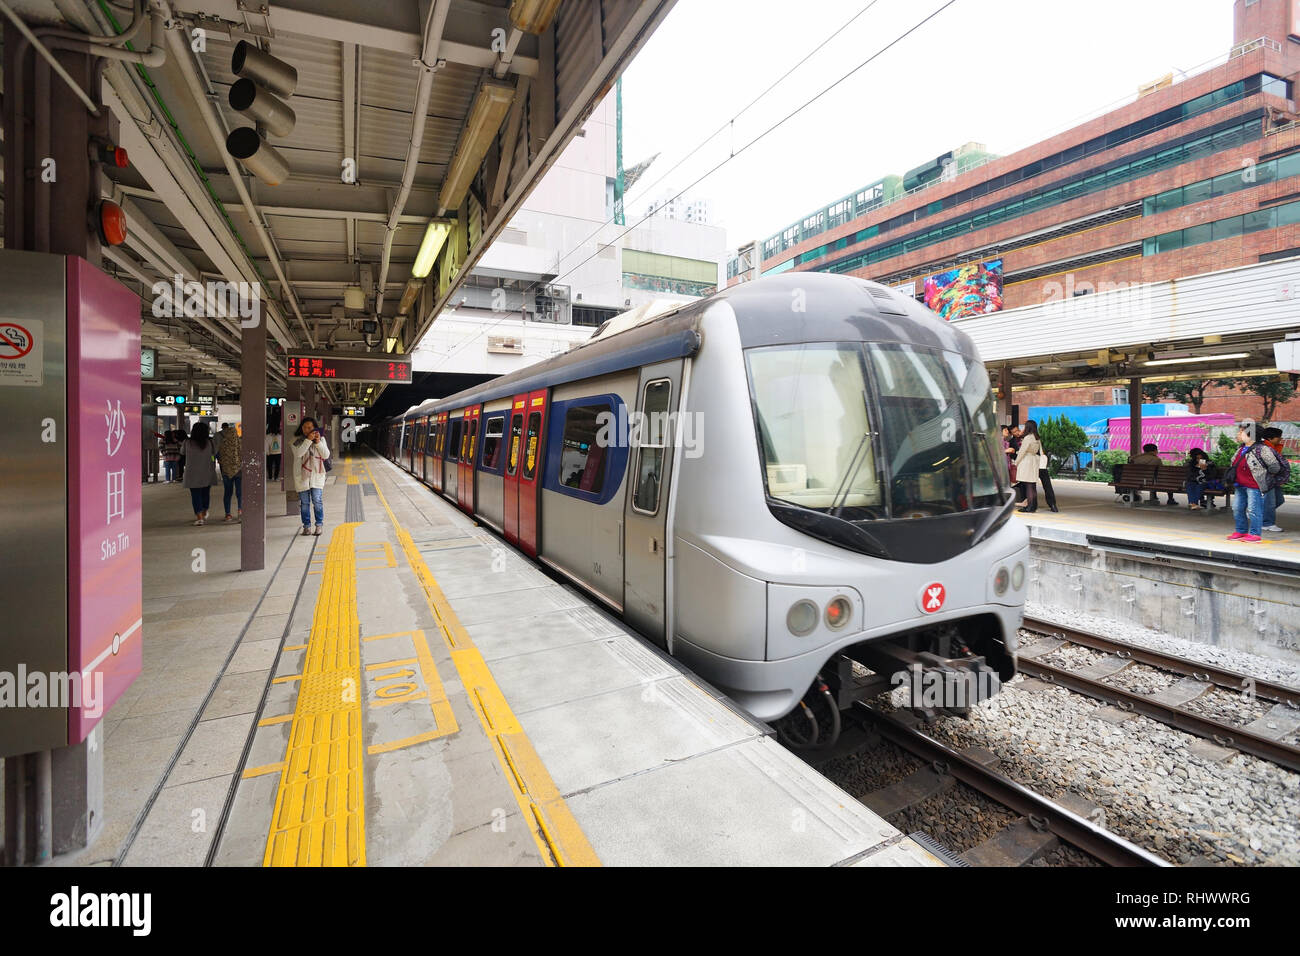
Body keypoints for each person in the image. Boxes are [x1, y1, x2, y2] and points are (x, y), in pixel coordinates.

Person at [1227, 423, 1283, 542]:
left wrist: (1263, 476)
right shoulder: (1241, 448)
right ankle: (1241, 531)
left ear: (1250, 435)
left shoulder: (1262, 449)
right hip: (1240, 484)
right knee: (1237, 508)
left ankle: (1255, 534)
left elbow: (1275, 466)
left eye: (1241, 432)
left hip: (1255, 485)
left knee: (1254, 509)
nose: (1238, 434)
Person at [292, 417, 330, 536]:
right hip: (302, 477)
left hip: (316, 475)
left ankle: (319, 525)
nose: (306, 429)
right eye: (304, 427)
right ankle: (306, 527)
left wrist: (317, 442)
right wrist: (308, 440)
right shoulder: (296, 440)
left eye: (309, 427)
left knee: (317, 501)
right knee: (304, 503)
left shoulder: (321, 439)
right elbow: (299, 453)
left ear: (314, 428)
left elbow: (326, 455)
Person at [181, 422, 219, 525]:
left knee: (195, 495)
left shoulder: (187, 442)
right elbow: (215, 452)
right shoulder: (210, 443)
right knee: (205, 493)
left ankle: (199, 517)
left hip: (192, 473)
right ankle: (205, 511)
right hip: (207, 472)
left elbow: (182, 452)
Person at [1260, 427, 1290, 533]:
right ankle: (1268, 523)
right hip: (1267, 478)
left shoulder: (1273, 447)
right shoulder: (1265, 448)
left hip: (1274, 478)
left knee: (1279, 500)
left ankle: (1257, 513)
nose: (1280, 439)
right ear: (1270, 438)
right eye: (1278, 437)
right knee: (1270, 502)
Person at [1014, 420, 1044, 513]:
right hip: (1034, 461)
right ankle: (1033, 506)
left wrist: (1016, 462)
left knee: (1028, 486)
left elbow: (1022, 451)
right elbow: (1041, 451)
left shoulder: (1027, 438)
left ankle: (1029, 507)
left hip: (1026, 461)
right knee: (1032, 485)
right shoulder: (1037, 438)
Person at [218, 423, 243, 522]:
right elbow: (243, 457)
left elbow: (219, 458)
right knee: (240, 493)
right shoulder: (240, 443)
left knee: (228, 493)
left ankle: (228, 514)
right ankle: (240, 511)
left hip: (226, 472)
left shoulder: (222, 444)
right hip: (239, 471)